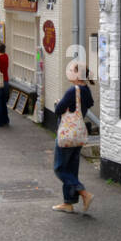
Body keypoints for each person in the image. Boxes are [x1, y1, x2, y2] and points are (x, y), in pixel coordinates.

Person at [51, 61, 94, 213]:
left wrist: (58, 104)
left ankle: (83, 193)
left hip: (67, 134)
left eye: (71, 70)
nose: (69, 72)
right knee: (71, 169)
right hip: (78, 133)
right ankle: (68, 203)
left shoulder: (72, 91)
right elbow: (88, 104)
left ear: (77, 74)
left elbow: (58, 110)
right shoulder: (86, 90)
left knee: (60, 168)